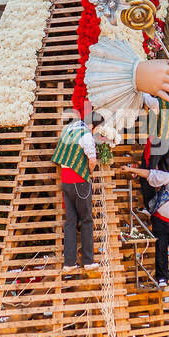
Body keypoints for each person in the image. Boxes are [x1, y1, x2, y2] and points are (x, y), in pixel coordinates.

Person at [52, 111, 103, 274]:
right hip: (79, 181)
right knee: (87, 220)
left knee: (70, 222)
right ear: (93, 126)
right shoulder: (86, 134)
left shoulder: (70, 128)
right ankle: (88, 261)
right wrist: (90, 170)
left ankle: (69, 262)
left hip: (66, 181)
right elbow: (92, 159)